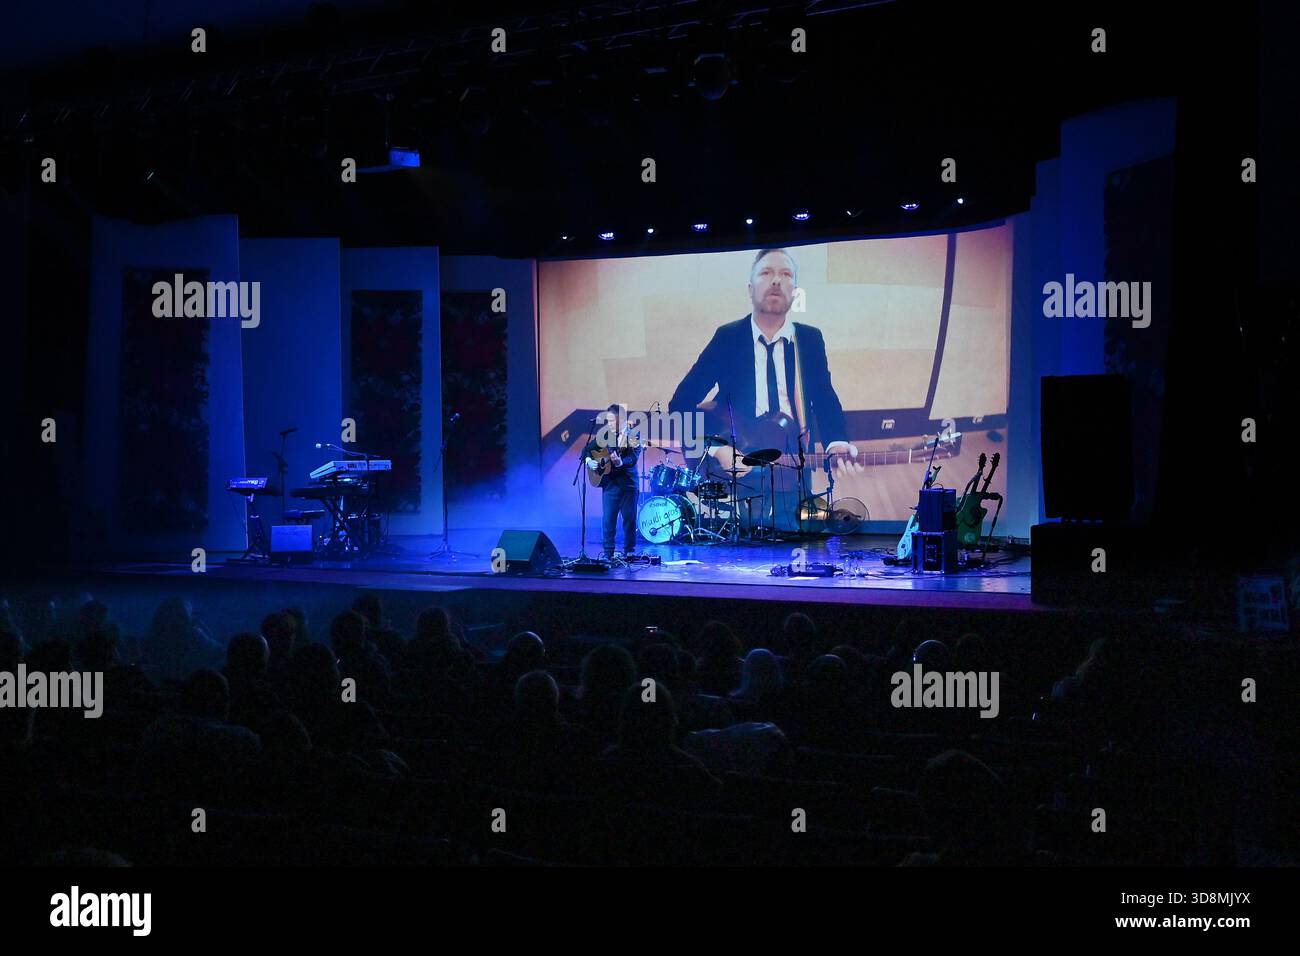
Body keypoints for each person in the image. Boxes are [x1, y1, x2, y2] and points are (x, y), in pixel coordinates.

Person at [668, 248, 859, 530]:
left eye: (786, 275)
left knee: (793, 545)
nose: (776, 281)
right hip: (739, 469)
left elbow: (824, 396)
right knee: (744, 547)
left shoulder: (809, 338)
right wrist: (715, 448)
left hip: (793, 465)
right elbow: (680, 405)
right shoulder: (728, 337)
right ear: (750, 288)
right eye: (766, 273)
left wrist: (836, 441)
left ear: (795, 291)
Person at [582, 403, 640, 560]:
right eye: (608, 421)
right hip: (609, 483)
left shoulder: (633, 435)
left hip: (628, 484)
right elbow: (586, 450)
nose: (610, 424)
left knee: (629, 519)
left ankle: (629, 551)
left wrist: (621, 463)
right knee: (608, 519)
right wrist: (589, 461)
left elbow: (634, 457)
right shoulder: (605, 434)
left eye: (613, 421)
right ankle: (608, 552)